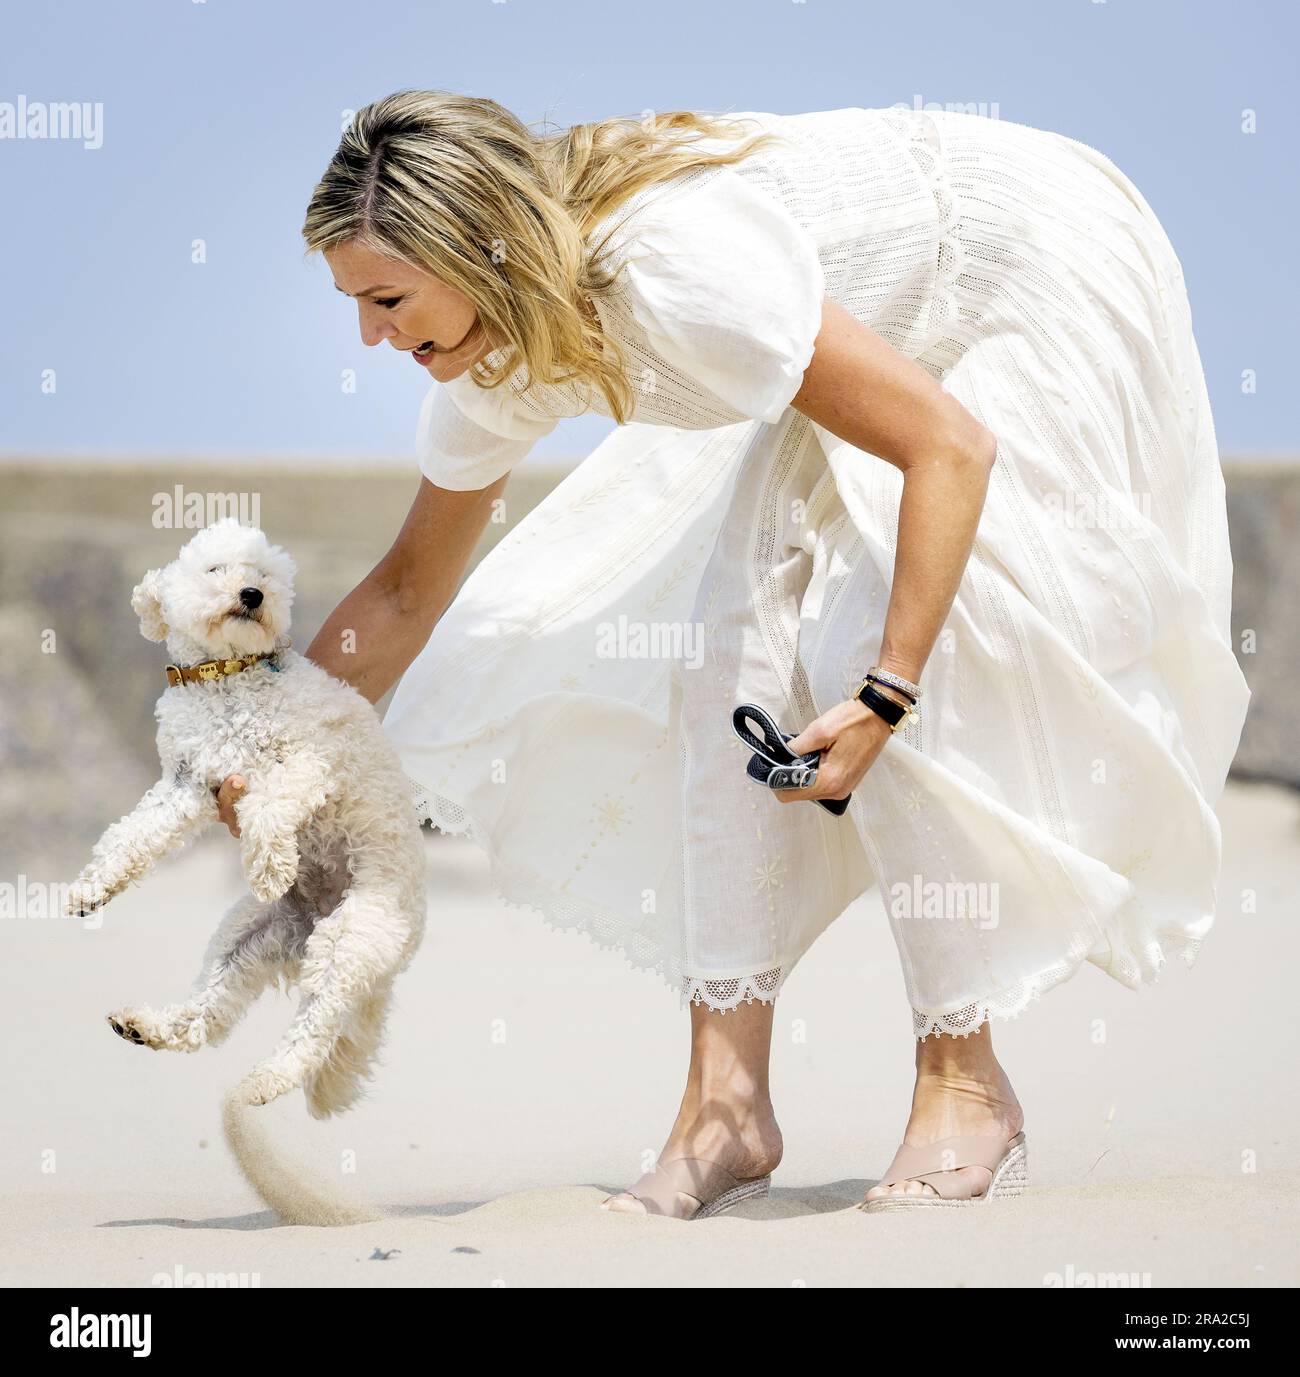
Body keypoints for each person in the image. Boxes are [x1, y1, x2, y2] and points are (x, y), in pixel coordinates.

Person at [215, 89, 1249, 1217]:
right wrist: (269, 739)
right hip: (845, 329)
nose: (368, 334)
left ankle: (965, 1086)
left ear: (476, 251)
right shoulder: (487, 367)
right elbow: (409, 591)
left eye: (384, 297)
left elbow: (947, 443)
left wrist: (887, 690)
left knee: (879, 638)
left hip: (1024, 256)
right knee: (728, 663)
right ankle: (726, 1110)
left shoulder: (680, 275)